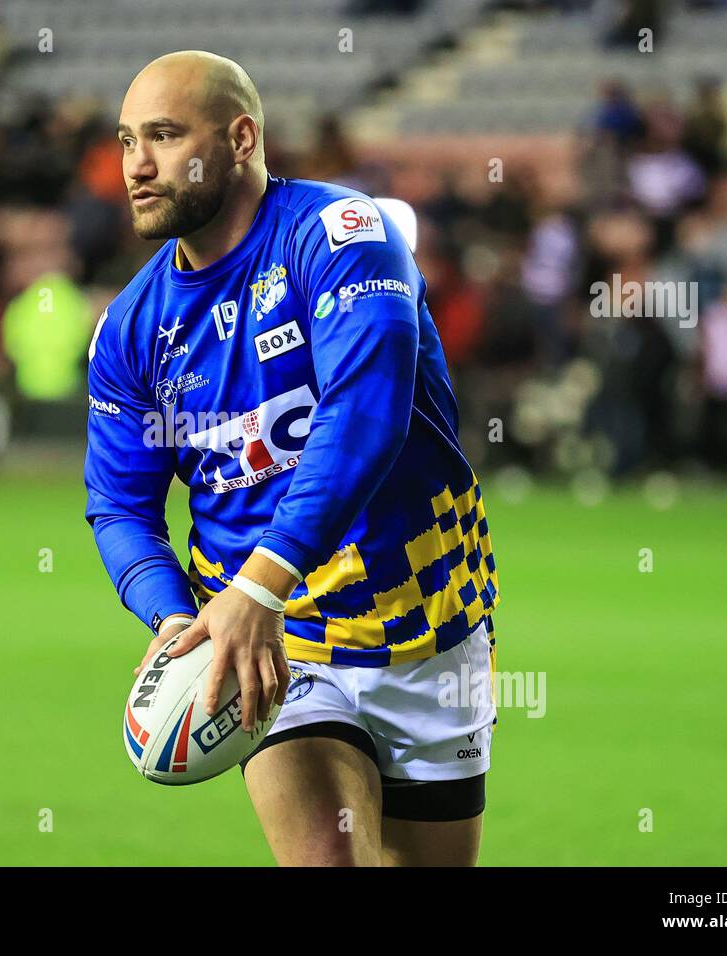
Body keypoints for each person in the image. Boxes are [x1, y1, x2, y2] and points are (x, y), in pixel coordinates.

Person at [84, 52, 500, 866]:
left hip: (427, 616)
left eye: (164, 136)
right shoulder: (130, 329)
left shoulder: (343, 237)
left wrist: (257, 585)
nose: (135, 163)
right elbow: (121, 507)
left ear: (240, 138)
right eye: (129, 139)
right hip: (272, 644)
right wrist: (181, 620)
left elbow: (365, 417)